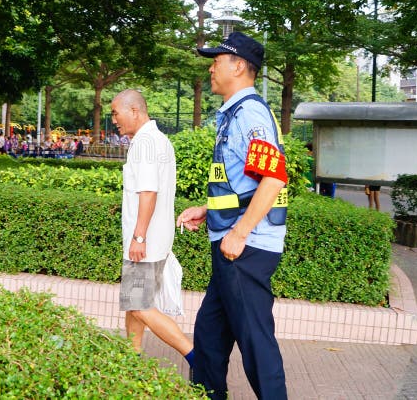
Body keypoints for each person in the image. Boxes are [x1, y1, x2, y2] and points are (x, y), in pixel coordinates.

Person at [177, 32, 288, 399]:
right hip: (232, 245)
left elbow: (273, 179)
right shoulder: (235, 114)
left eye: (217, 60)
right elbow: (247, 183)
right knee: (209, 337)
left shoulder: (250, 113)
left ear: (239, 66)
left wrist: (239, 233)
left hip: (245, 248)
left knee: (256, 342)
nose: (211, 67)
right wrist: (208, 209)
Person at [110, 89, 195, 370]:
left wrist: (138, 236)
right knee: (137, 303)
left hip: (144, 243)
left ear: (134, 111)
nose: (114, 120)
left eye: (115, 113)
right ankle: (131, 359)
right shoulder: (159, 140)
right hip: (156, 241)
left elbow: (148, 192)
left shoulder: (145, 143)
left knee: (138, 305)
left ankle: (197, 358)